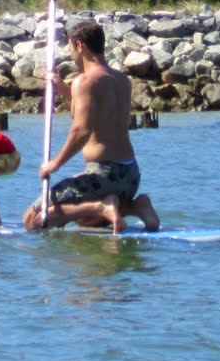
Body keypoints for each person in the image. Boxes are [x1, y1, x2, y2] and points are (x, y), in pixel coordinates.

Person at [24, 19, 160, 234]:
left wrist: (54, 164)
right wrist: (64, 91)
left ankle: (102, 206)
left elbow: (82, 130)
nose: (71, 55)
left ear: (80, 45)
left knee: (33, 220)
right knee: (84, 219)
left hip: (103, 174)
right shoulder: (122, 80)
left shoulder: (84, 81)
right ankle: (136, 206)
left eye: (70, 48)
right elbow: (101, 113)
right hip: (130, 174)